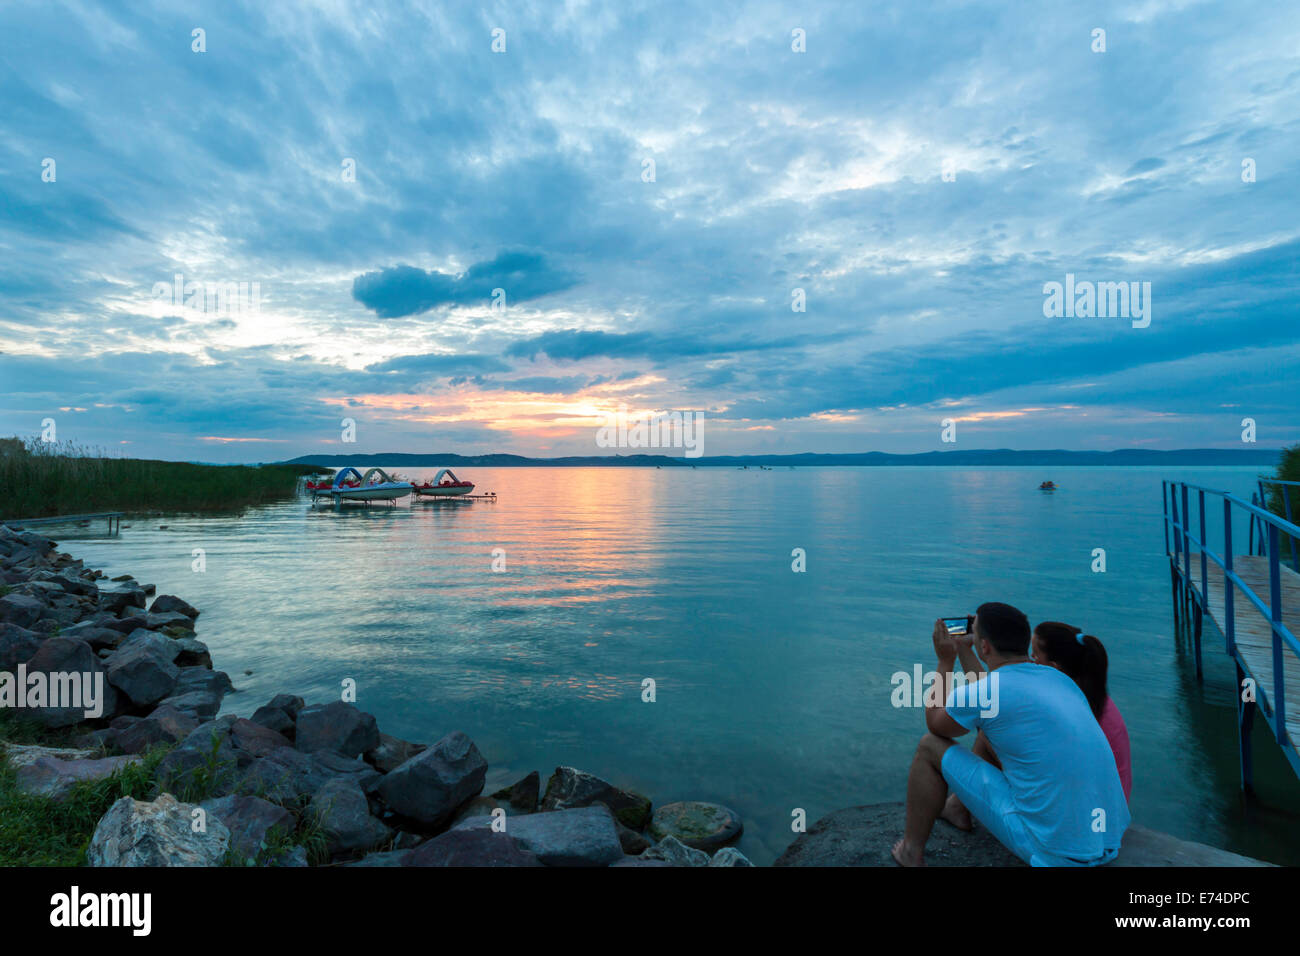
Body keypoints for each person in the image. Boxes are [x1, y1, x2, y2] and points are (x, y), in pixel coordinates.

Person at [892, 602, 1129, 867]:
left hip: (1056, 853)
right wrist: (963, 650)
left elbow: (936, 723)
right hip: (1107, 842)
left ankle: (910, 852)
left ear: (985, 646)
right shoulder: (1058, 679)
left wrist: (945, 660)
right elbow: (992, 698)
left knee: (929, 747)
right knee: (992, 731)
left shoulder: (990, 692)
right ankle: (957, 808)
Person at [1031, 622, 1132, 801]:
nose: (1031, 661)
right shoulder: (1094, 698)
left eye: (1035, 656)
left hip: (1078, 818)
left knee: (989, 736)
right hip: (1109, 812)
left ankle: (963, 816)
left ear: (1053, 668)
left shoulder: (1063, 709)